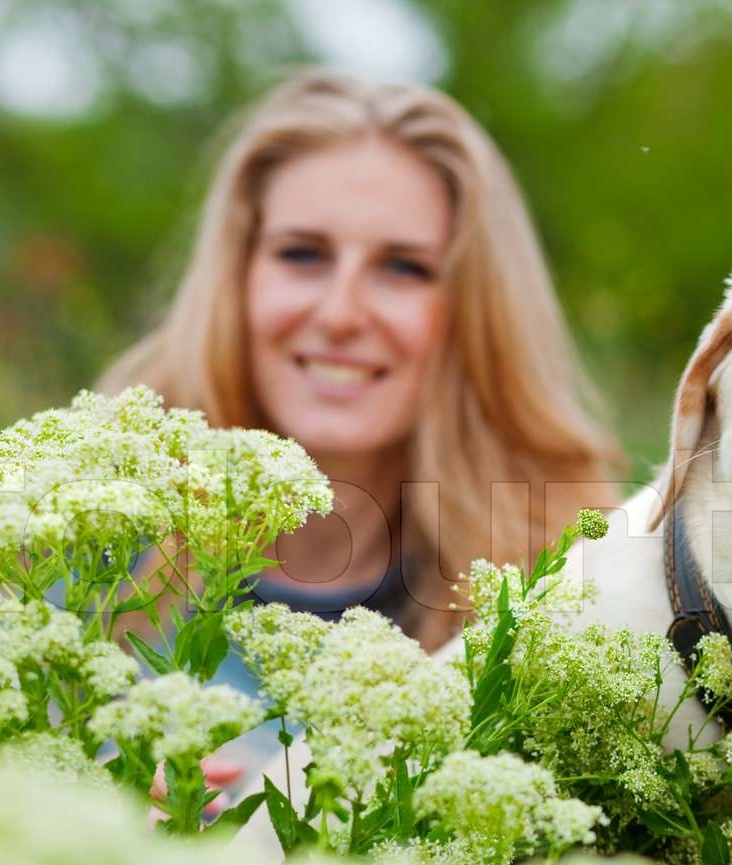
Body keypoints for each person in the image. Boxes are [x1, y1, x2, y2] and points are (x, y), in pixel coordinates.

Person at [97, 69, 624, 820]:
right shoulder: (81, 541)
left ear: (476, 311)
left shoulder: (563, 591)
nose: (341, 313)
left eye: (403, 268)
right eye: (302, 254)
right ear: (237, 277)